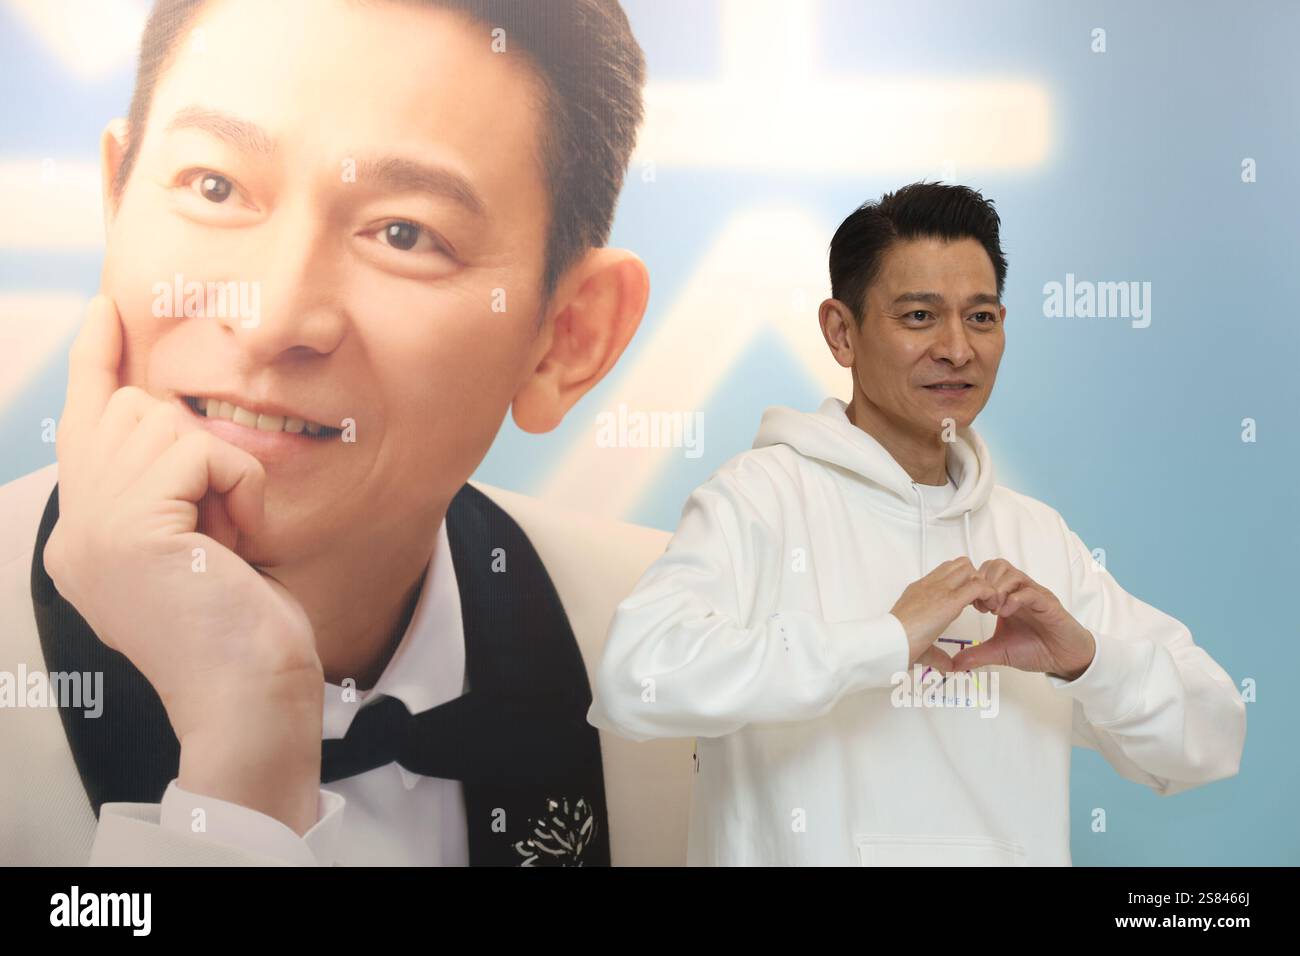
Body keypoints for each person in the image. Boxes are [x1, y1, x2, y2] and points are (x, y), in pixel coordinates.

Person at [0, 0, 693, 866]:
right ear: (115, 195)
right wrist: (245, 734)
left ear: (567, 337)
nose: (272, 316)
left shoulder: (704, 673)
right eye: (214, 187)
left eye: (405, 234)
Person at [587, 182, 1246, 866]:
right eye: (920, 316)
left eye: (982, 318)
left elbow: (1213, 736)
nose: (957, 349)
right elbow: (635, 679)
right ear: (842, 332)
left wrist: (1086, 661)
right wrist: (884, 641)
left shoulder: (1036, 538)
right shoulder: (761, 500)